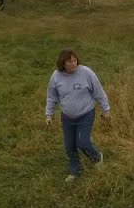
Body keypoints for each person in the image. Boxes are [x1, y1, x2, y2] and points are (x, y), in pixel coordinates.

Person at [44, 49, 110, 182]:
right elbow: (52, 96)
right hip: (67, 118)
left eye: (75, 60)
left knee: (83, 143)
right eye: (69, 61)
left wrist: (106, 110)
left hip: (86, 114)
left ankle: (97, 157)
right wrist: (49, 114)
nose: (73, 63)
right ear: (63, 63)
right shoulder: (56, 76)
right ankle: (75, 171)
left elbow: (98, 91)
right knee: (70, 146)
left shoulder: (86, 72)